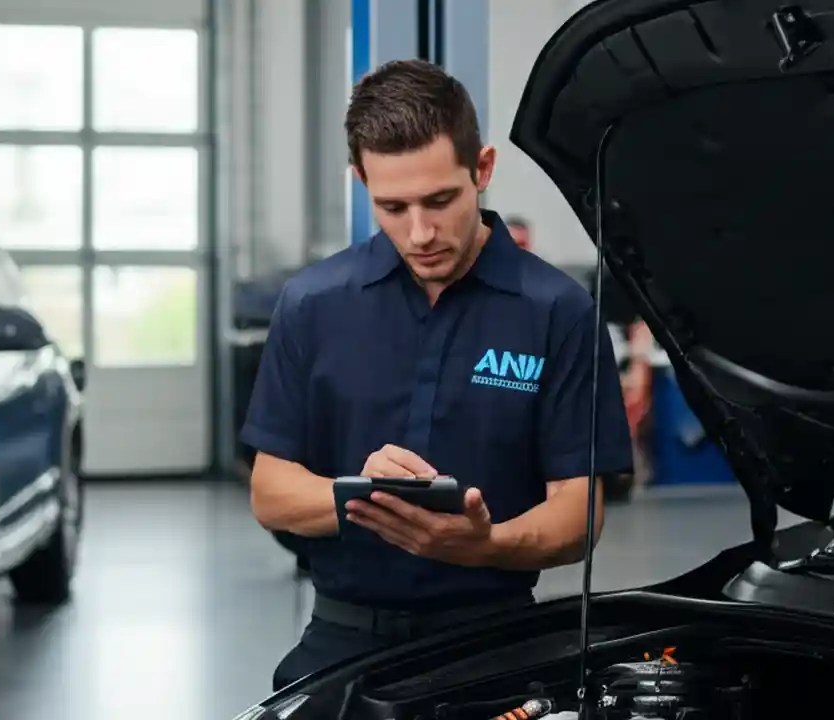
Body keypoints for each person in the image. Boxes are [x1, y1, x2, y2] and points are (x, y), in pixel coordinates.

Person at [241, 59, 633, 689]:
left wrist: (486, 545)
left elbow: (579, 512)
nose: (420, 233)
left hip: (495, 640)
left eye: (440, 200)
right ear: (360, 180)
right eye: (392, 207)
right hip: (343, 641)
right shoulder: (313, 304)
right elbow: (271, 490)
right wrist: (362, 495)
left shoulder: (557, 311)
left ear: (483, 168)